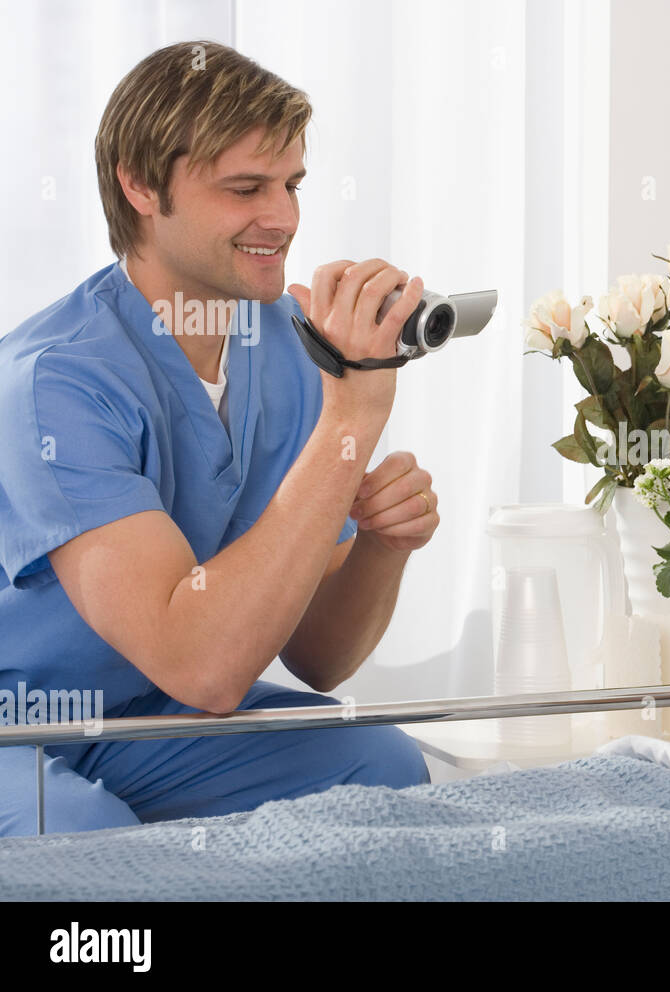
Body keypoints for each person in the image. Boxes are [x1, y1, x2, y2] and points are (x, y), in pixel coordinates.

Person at [0, 41, 436, 838]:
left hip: (148, 717)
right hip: (16, 724)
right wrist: (352, 418)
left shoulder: (288, 350)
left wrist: (380, 547)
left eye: (291, 185)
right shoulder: (55, 384)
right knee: (80, 839)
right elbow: (201, 664)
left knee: (380, 765)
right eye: (245, 188)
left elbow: (319, 658)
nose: (284, 218)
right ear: (140, 185)